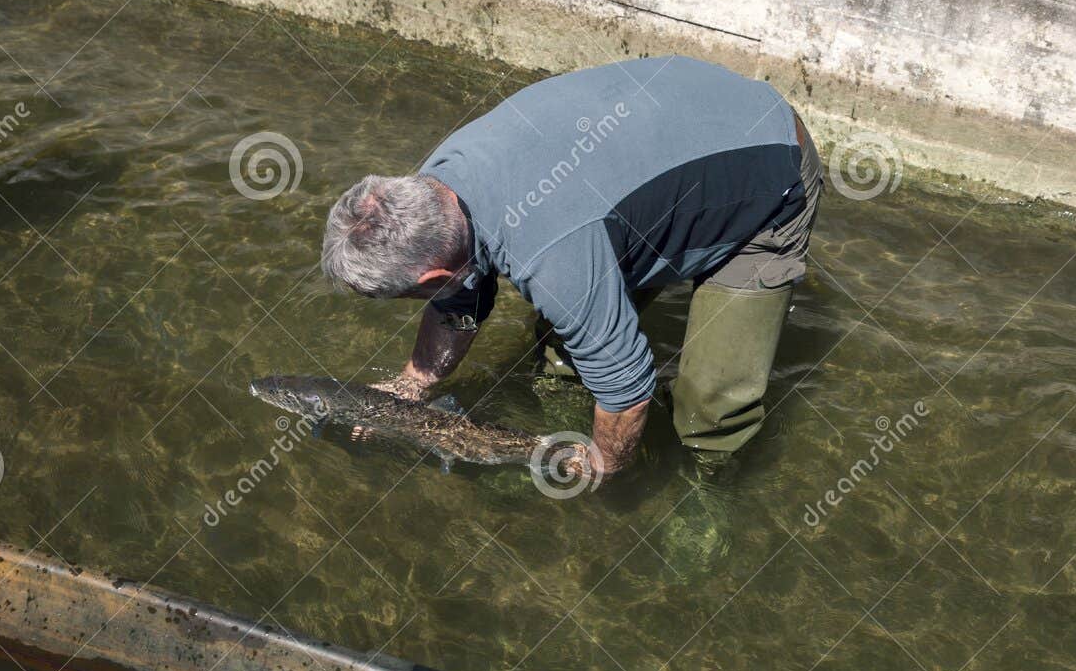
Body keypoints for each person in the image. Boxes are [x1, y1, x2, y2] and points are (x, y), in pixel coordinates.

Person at [320, 55, 822, 481]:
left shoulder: (552, 253)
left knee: (710, 402)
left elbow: (628, 392)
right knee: (570, 340)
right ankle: (568, 403)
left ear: (428, 277)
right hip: (657, 140)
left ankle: (708, 484)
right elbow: (460, 292)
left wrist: (599, 466)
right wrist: (415, 383)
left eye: (412, 293)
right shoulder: (430, 192)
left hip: (767, 167)